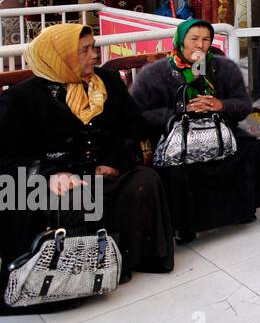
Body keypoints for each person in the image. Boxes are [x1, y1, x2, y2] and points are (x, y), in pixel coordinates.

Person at [0, 24, 173, 297]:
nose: (95, 55)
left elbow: (133, 128)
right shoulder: (21, 99)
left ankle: (128, 260)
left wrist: (115, 160)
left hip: (100, 172)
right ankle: (73, 276)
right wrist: (49, 175)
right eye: (85, 50)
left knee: (144, 180)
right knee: (74, 196)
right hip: (55, 180)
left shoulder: (108, 82)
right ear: (59, 56)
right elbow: (6, 154)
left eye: (94, 47)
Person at [129, 19, 260, 243]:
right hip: (175, 136)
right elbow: (137, 115)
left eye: (206, 39)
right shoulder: (156, 73)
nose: (200, 45)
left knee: (252, 150)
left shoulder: (223, 68)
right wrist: (178, 112)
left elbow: (243, 105)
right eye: (194, 39)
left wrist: (221, 105)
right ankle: (185, 225)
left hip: (218, 130)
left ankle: (242, 210)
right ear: (181, 41)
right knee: (178, 170)